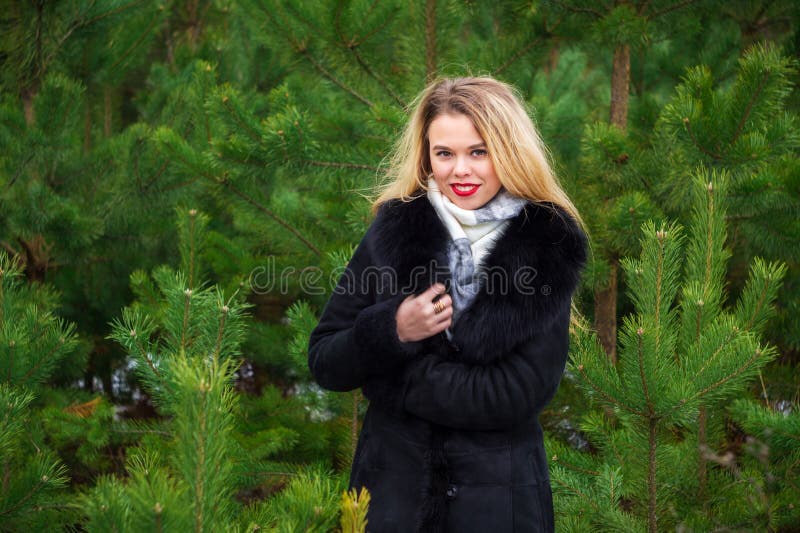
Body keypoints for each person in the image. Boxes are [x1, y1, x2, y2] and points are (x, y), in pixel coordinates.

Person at [308, 77, 588, 532]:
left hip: (499, 508)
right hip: (390, 503)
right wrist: (393, 329)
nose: (461, 170)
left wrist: (393, 383)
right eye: (444, 153)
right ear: (426, 155)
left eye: (479, 152)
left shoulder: (547, 245)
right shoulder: (394, 230)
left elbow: (516, 394)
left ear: (509, 150)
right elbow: (325, 360)